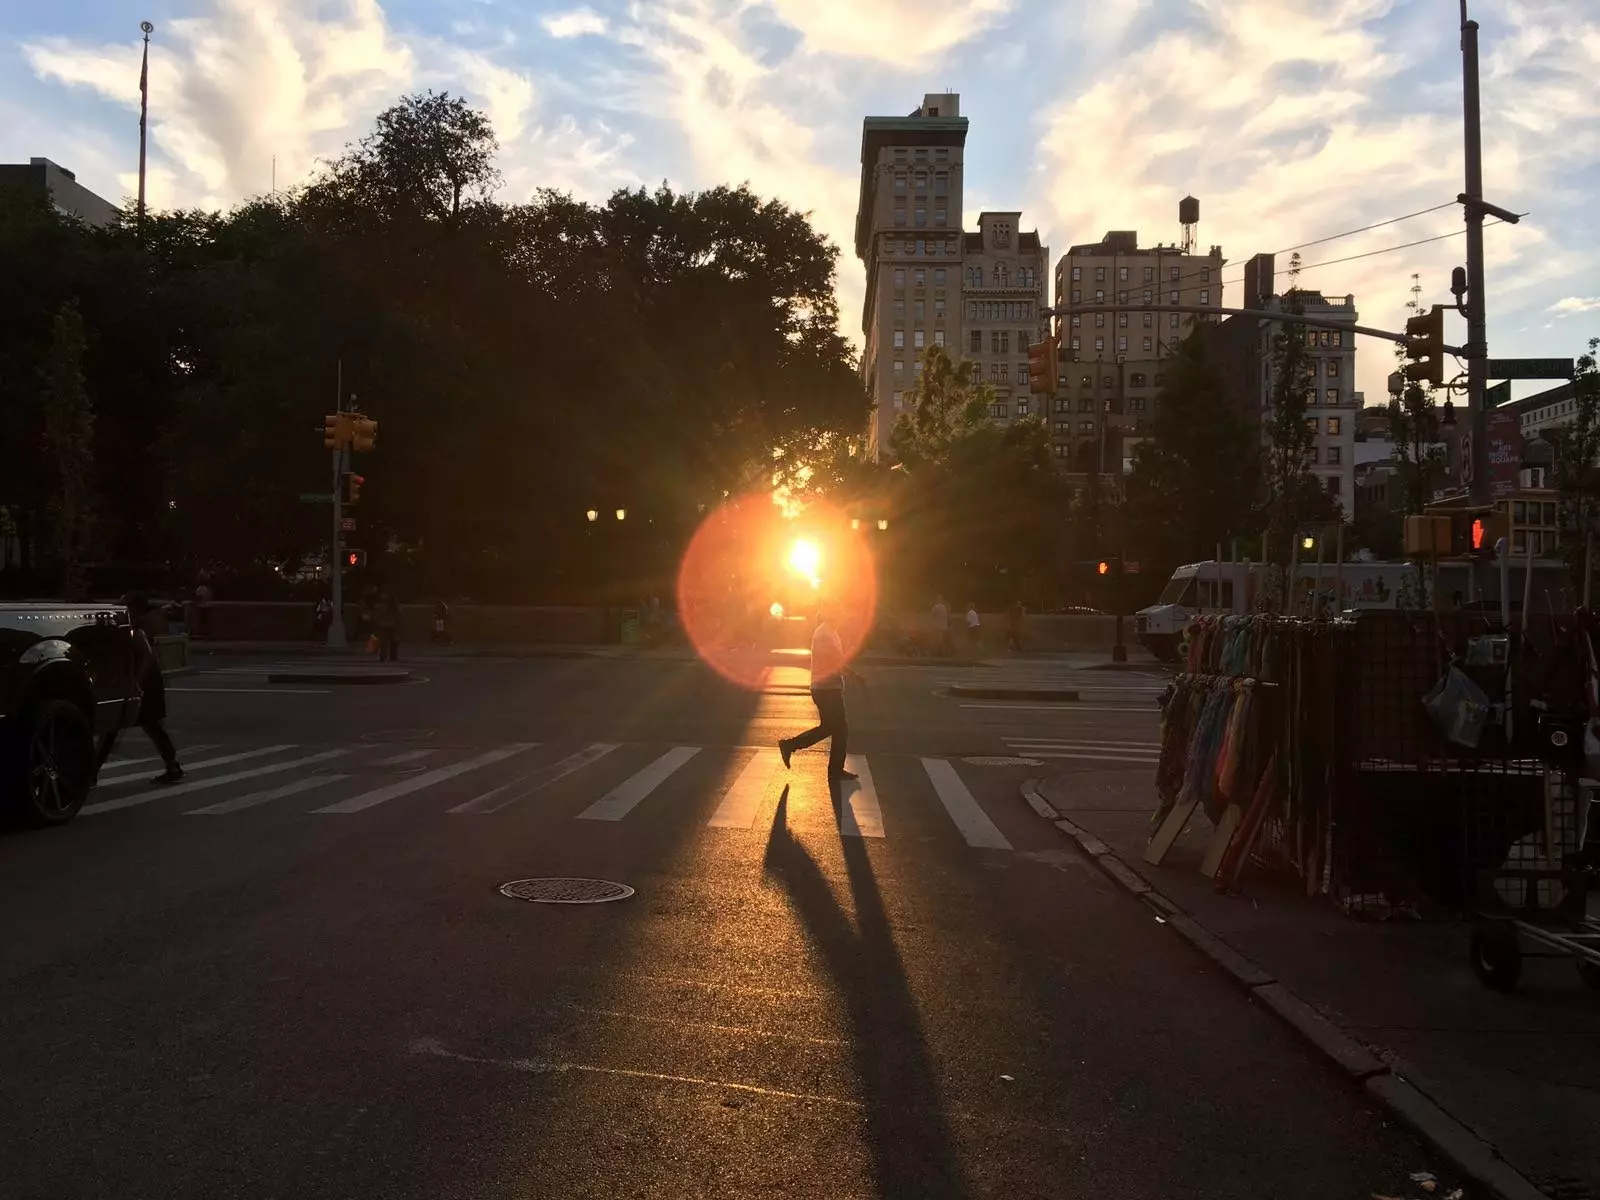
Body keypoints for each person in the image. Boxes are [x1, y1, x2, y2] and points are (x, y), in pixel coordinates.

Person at [103, 592, 183, 785]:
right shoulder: (129, 625)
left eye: (125, 605)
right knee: (133, 725)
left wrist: (136, 683)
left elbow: (145, 656)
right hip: (138, 679)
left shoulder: (137, 628)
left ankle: (172, 765)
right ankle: (172, 766)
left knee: (142, 724)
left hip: (145, 680)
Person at [778, 602, 864, 782]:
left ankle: (790, 745)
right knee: (841, 728)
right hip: (827, 689)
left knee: (829, 727)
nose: (843, 615)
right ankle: (835, 770)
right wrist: (854, 675)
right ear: (832, 614)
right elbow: (835, 661)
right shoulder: (824, 633)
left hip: (827, 687)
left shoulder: (830, 632)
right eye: (840, 611)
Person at [377, 591, 401, 662]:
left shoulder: (385, 607)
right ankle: (388, 656)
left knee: (388, 642)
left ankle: (385, 656)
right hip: (388, 625)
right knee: (391, 642)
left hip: (387, 625)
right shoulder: (389, 608)